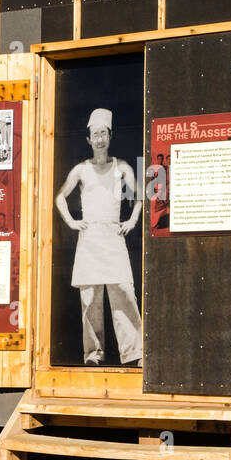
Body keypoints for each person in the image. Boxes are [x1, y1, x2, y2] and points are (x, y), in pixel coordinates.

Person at [55, 108, 142, 366]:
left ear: (110, 136)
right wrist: (72, 222)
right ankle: (94, 355)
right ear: (88, 140)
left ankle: (135, 352)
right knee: (90, 297)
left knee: (124, 293)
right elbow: (60, 197)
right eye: (95, 134)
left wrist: (132, 220)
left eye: (104, 133)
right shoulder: (81, 170)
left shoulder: (122, 167)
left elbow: (139, 197)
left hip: (113, 236)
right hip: (90, 238)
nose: (100, 139)